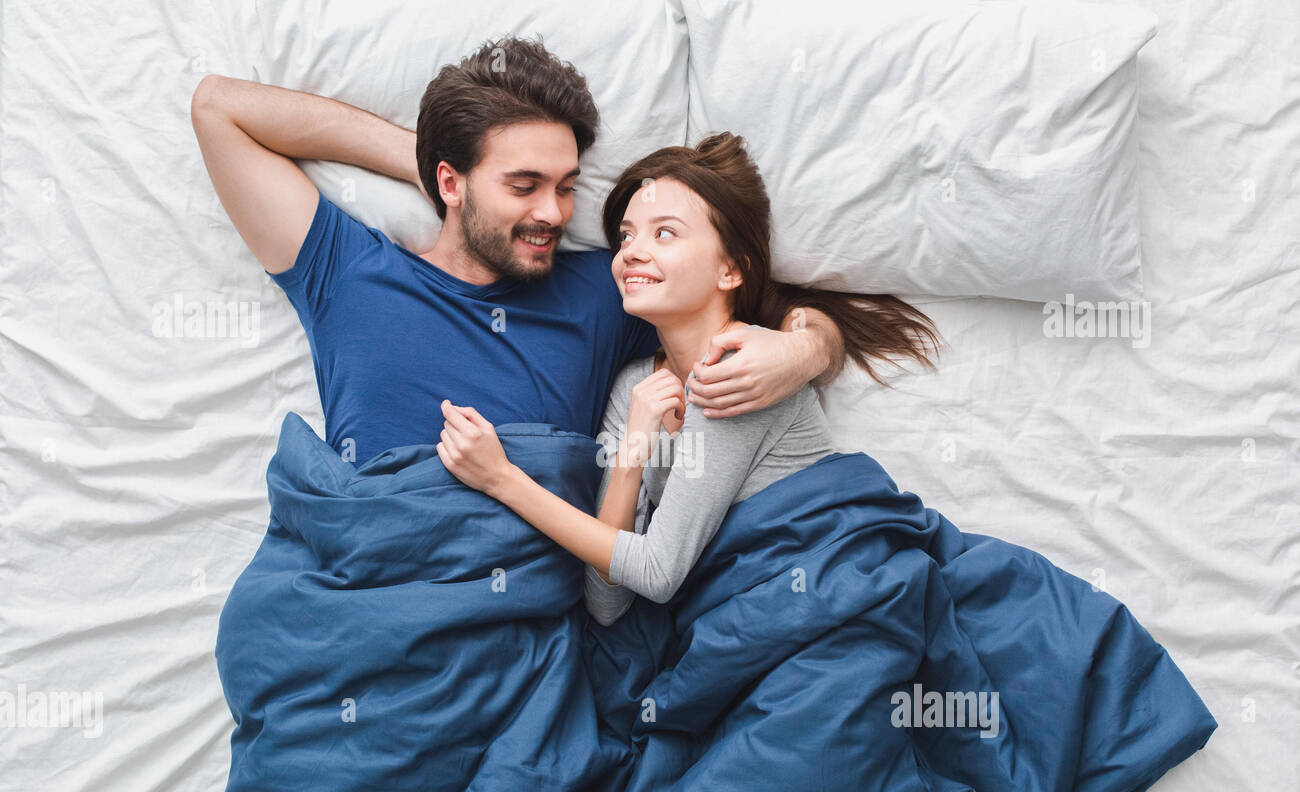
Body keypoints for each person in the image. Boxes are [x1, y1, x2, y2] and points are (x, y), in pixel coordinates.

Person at [190, 36, 849, 470]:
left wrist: (803, 351)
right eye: (523, 185)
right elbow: (219, 109)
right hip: (370, 584)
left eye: (565, 188)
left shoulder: (603, 288)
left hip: (514, 616)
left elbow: (783, 306)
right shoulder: (348, 271)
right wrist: (426, 158)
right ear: (449, 181)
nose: (554, 214)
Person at [437, 131, 944, 617]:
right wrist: (635, 449)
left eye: (664, 233)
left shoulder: (737, 370)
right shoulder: (635, 388)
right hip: (731, 621)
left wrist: (502, 479)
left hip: (826, 592)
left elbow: (657, 573)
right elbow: (606, 603)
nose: (632, 250)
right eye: (626, 235)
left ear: (730, 269)